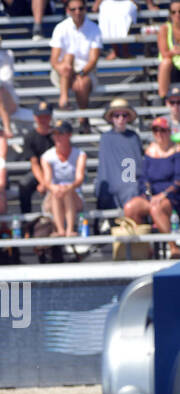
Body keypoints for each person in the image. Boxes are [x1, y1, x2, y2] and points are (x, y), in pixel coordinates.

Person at [50, 1, 101, 120]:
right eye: (73, 9)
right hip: (63, 72)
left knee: (81, 83)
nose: (77, 12)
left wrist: (80, 74)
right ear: (68, 10)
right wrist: (68, 72)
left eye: (80, 8)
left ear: (85, 9)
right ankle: (82, 118)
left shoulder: (94, 28)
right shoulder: (61, 28)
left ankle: (74, 111)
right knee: (67, 61)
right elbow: (54, 61)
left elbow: (93, 60)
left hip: (85, 72)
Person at [96, 98, 146, 217]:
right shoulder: (105, 138)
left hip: (129, 181)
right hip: (113, 182)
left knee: (132, 188)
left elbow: (136, 164)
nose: (120, 119)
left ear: (128, 117)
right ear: (112, 118)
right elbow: (105, 167)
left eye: (124, 115)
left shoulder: (133, 137)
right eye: (116, 115)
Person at [16, 101, 58, 232]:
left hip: (57, 171)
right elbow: (34, 163)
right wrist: (44, 182)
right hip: (39, 172)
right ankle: (26, 222)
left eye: (46, 116)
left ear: (50, 117)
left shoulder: (58, 135)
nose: (43, 120)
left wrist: (47, 183)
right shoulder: (30, 137)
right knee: (24, 185)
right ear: (35, 117)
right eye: (40, 116)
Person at [140, 117, 180, 255]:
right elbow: (144, 178)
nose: (159, 133)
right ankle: (145, 249)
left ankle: (173, 247)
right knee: (130, 207)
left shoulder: (177, 151)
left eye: (162, 130)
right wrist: (148, 194)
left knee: (156, 208)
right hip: (153, 196)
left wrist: (162, 195)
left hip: (172, 196)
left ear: (169, 132)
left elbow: (178, 180)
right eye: (155, 130)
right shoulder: (149, 152)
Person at [42, 120, 87, 236]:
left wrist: (69, 187)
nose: (57, 137)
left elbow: (79, 178)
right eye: (55, 134)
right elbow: (47, 181)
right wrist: (56, 188)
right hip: (54, 195)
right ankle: (61, 229)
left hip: (74, 195)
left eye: (60, 134)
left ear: (69, 135)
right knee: (57, 191)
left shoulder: (80, 154)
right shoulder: (47, 156)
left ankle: (69, 229)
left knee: (66, 191)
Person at [158, 2, 180, 101]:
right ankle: (163, 97)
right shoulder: (165, 29)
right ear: (170, 14)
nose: (177, 15)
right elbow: (164, 54)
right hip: (173, 68)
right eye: (173, 12)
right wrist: (173, 52)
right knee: (166, 62)